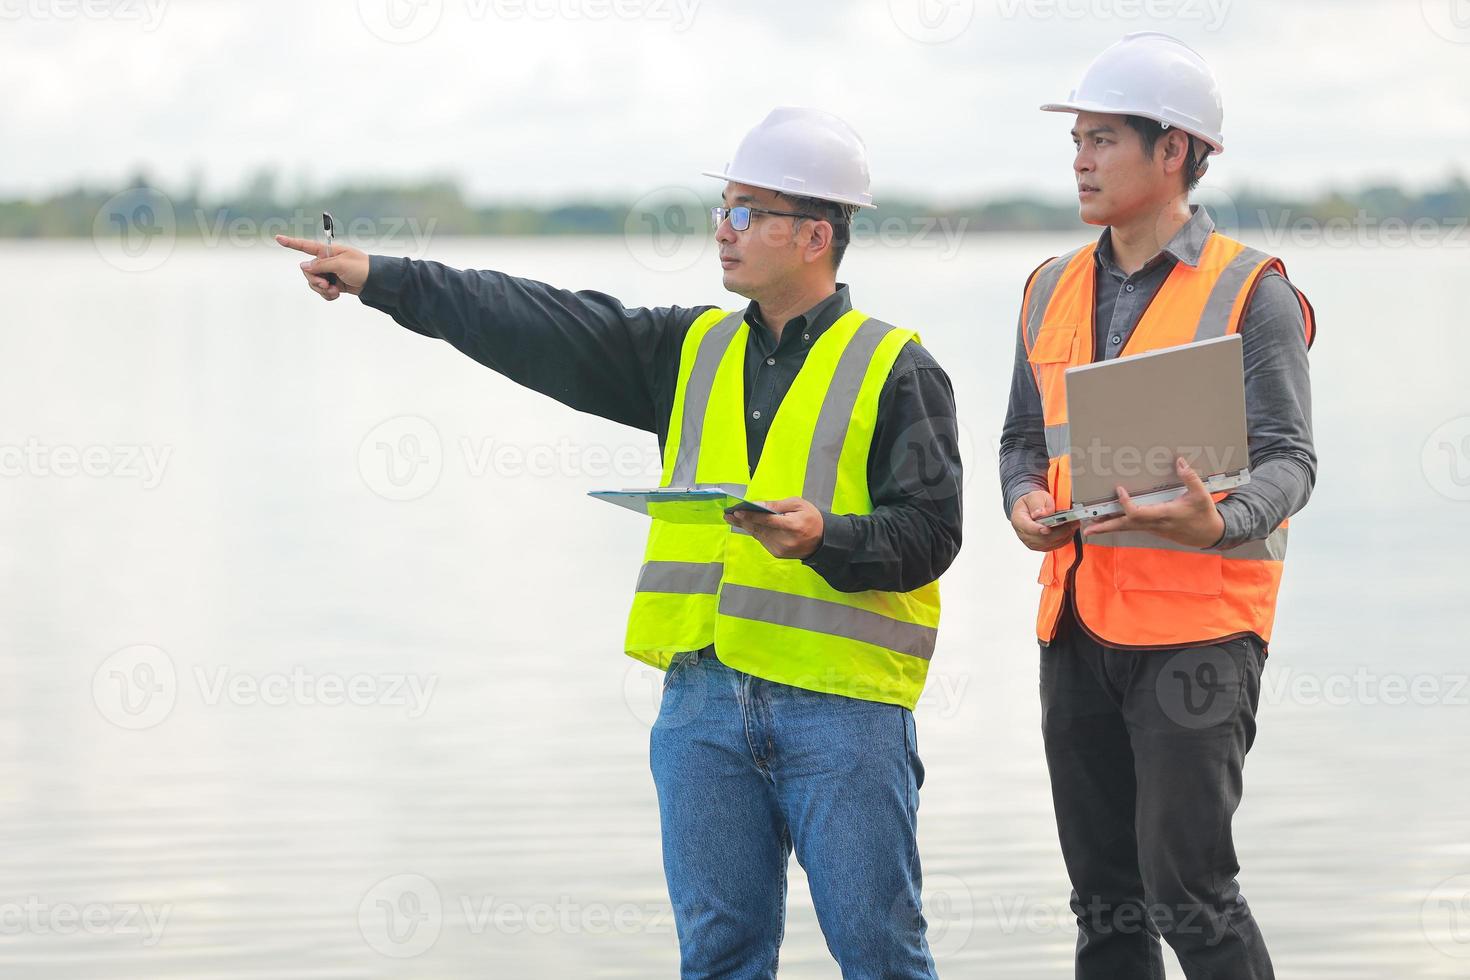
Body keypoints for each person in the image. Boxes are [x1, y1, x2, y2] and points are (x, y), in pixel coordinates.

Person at [279, 106, 961, 979]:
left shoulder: (897, 365)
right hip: (701, 707)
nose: (723, 229)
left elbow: (933, 532)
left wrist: (826, 536)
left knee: (881, 957)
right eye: (723, 208)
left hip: (843, 714)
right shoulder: (689, 348)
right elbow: (535, 321)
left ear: (815, 235)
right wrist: (386, 278)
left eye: (746, 212)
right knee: (718, 958)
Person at [998, 33, 1316, 980]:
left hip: (1199, 636)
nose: (1081, 160)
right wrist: (1022, 500)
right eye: (1078, 141)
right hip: (1078, 625)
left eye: (1103, 140)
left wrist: (1216, 519)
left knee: (1191, 894)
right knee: (1104, 903)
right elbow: (1024, 438)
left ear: (1173, 150)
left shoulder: (1249, 290)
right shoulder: (1047, 286)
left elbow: (1291, 460)